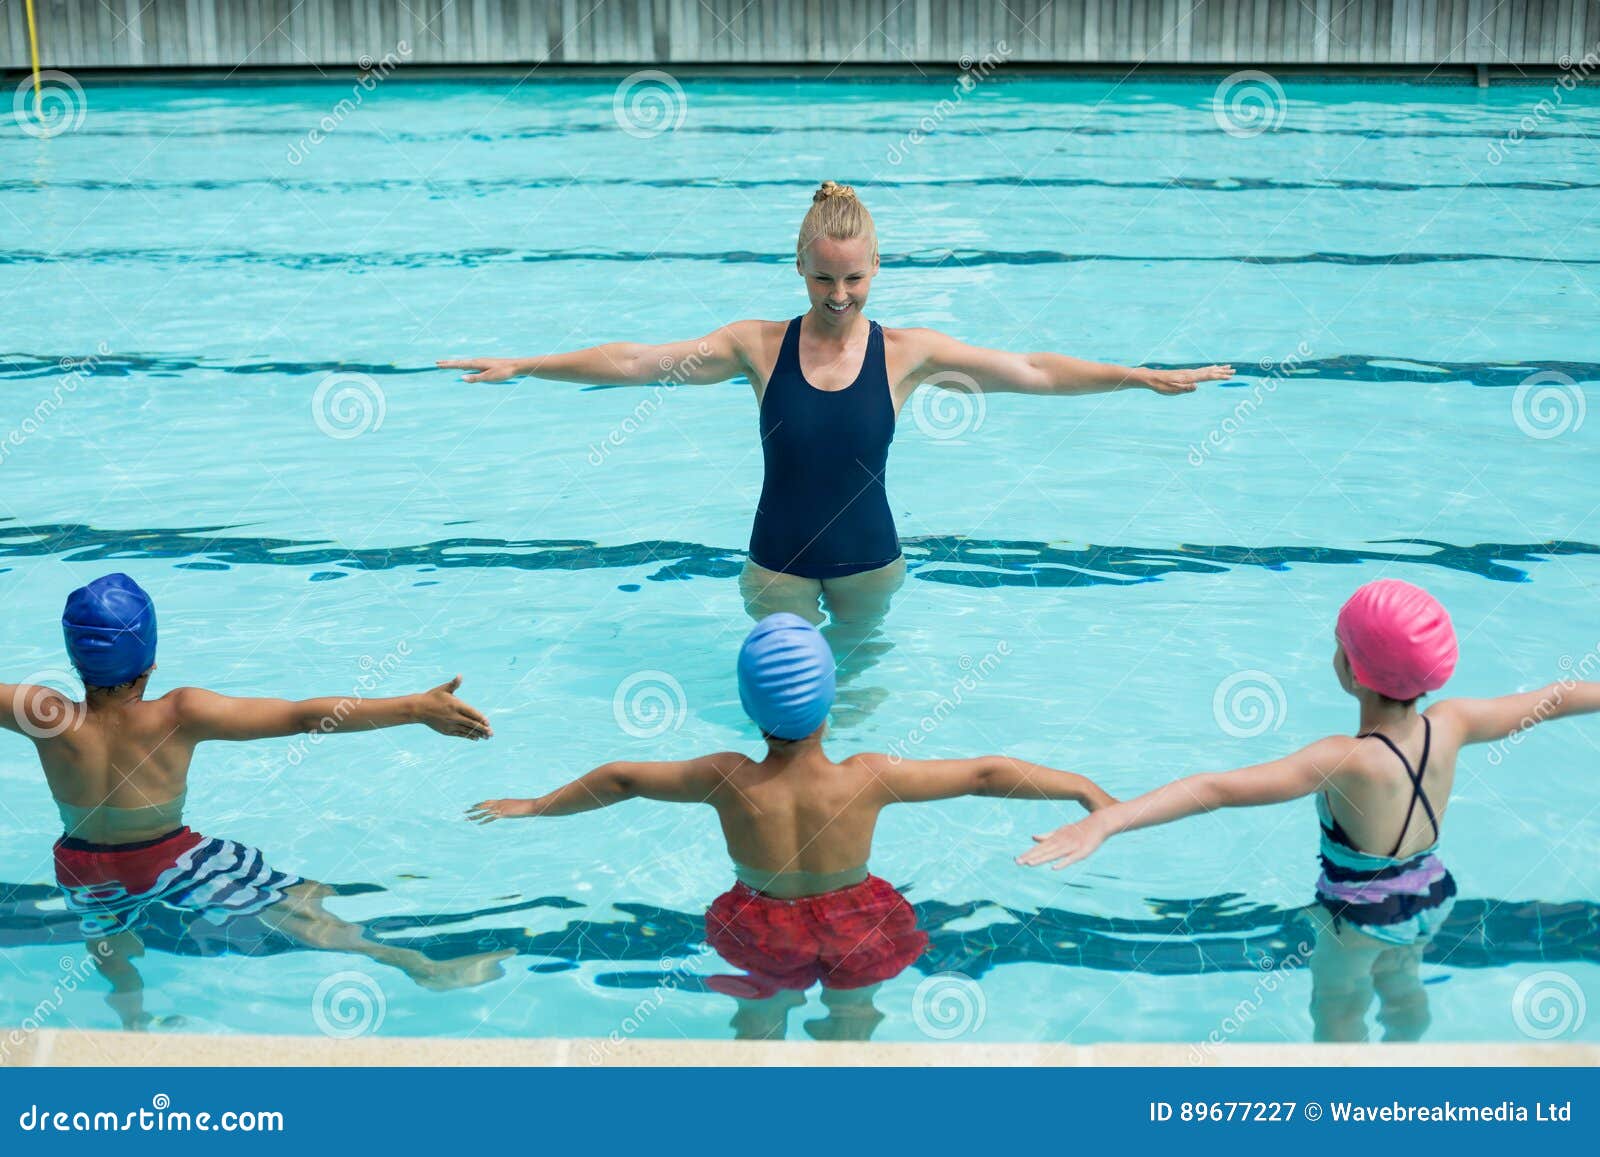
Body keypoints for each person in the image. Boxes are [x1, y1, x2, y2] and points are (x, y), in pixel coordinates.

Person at [438, 181, 1232, 702]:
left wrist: (1135, 374)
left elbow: (1029, 368)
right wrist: (530, 364)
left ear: (877, 267)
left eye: (855, 279)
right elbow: (642, 361)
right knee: (780, 721)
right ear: (799, 268)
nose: (841, 295)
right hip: (775, 569)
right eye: (824, 279)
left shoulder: (907, 351)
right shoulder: (756, 344)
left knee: (855, 720)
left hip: (870, 568)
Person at [469, 611, 1115, 1040]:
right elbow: (984, 773)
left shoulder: (726, 778)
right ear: (830, 703)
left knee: (757, 1019)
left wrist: (533, 805)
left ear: (750, 710)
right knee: (854, 1016)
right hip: (857, 921)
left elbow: (621, 778)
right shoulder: (865, 777)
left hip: (760, 924)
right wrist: (1083, 787)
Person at [1019, 578, 1600, 1041]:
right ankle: (1407, 1057)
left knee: (1337, 1008)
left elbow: (1218, 788)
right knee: (1403, 989)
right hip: (1430, 895)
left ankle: (1345, 1110)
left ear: (1351, 671)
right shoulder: (1454, 723)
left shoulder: (1343, 760)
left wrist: (1108, 819)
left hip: (1358, 918)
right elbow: (1554, 699)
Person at [0, 573, 510, 1023]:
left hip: (80, 864)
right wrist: (414, 707)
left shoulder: (44, 712)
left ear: (74, 657)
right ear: (150, 661)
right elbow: (303, 716)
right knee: (298, 907)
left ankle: (133, 1024)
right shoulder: (179, 713)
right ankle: (412, 965)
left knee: (109, 946)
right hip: (167, 858)